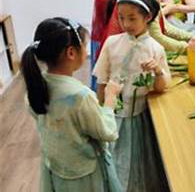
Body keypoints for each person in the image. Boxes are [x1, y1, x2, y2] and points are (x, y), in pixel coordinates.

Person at [20, 17, 122, 191]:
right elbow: (107, 132)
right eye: (84, 44)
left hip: (56, 168)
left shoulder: (35, 88)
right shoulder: (80, 96)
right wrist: (110, 99)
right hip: (84, 176)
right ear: (71, 53)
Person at [94, 0, 171, 192]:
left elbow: (162, 86)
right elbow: (102, 80)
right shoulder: (112, 43)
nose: (126, 24)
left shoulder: (156, 48)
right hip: (114, 117)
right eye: (121, 18)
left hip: (140, 117)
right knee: (114, 163)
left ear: (147, 18)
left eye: (132, 18)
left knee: (140, 165)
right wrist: (100, 112)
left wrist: (157, 70)